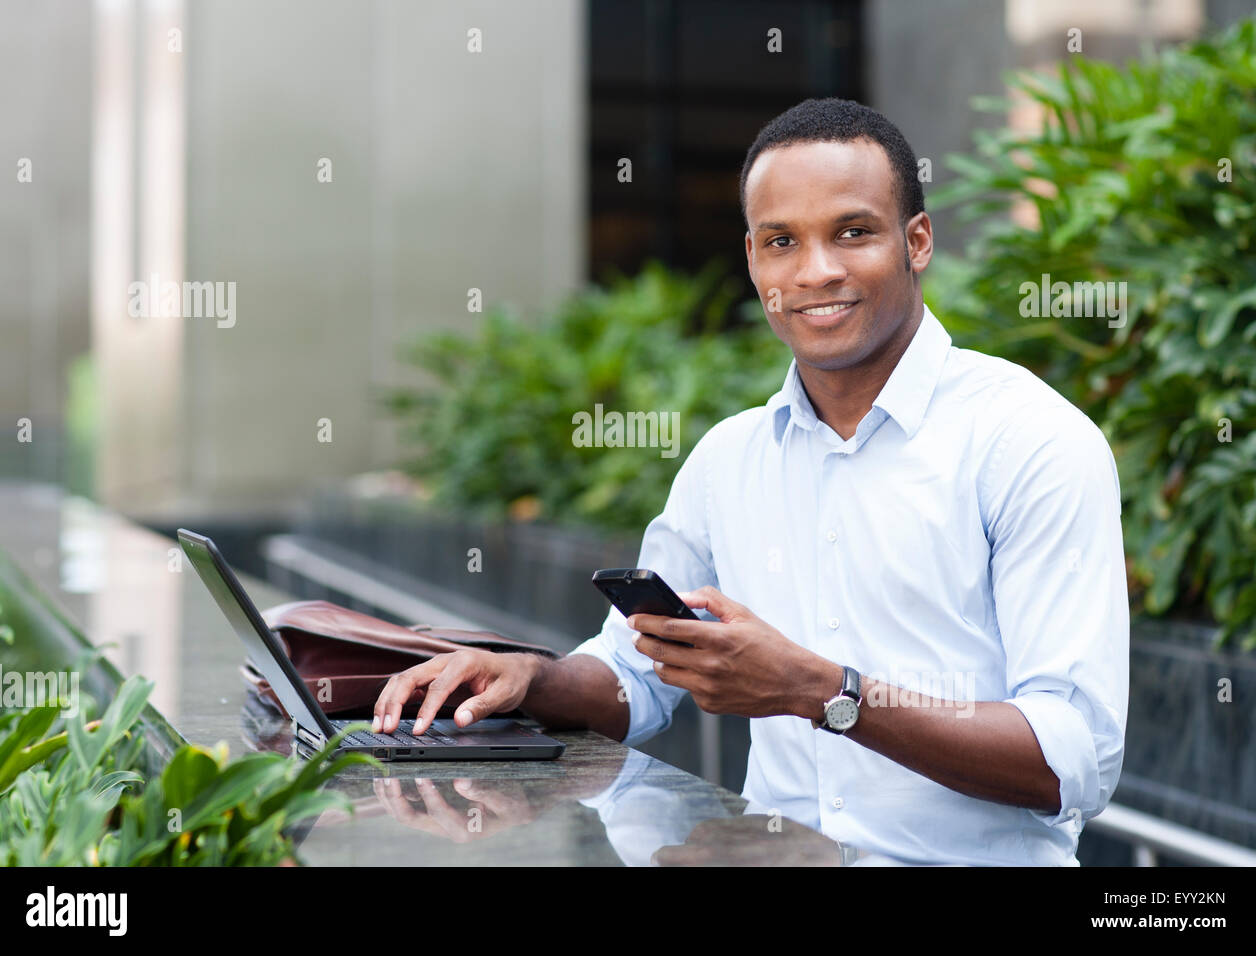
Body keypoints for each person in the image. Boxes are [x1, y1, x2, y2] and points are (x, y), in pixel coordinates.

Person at [373, 97, 1129, 866]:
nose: (816, 271)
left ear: (918, 241)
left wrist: (823, 693)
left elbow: (1070, 758)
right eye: (781, 242)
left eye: (853, 232)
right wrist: (529, 677)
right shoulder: (728, 460)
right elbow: (635, 677)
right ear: (754, 262)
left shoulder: (1032, 441)